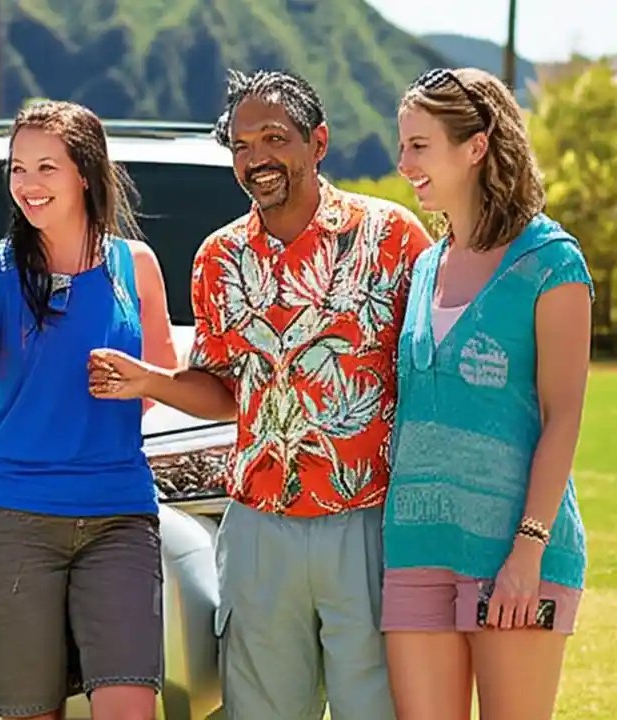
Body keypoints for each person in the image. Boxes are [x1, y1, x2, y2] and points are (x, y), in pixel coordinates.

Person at [88, 69, 434, 720]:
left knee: (377, 708)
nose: (257, 159)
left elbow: (429, 371)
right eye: (242, 146)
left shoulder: (392, 237)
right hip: (258, 528)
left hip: (369, 520)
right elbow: (226, 390)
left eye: (274, 138)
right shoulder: (217, 258)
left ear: (317, 142)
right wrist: (151, 381)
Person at [0, 99, 179, 720]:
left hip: (119, 515)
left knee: (130, 706)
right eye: (18, 168)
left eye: (47, 167)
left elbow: (162, 386)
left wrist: (135, 381)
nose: (28, 184)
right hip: (10, 518)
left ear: (86, 174)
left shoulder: (137, 266)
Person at [381, 66, 592, 720]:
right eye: (403, 145)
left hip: (513, 553)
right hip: (415, 550)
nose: (404, 164)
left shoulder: (551, 262)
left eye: (420, 146)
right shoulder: (425, 265)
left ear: (475, 147)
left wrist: (528, 550)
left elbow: (563, 416)